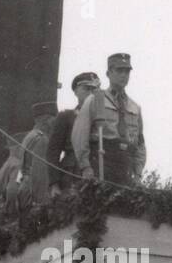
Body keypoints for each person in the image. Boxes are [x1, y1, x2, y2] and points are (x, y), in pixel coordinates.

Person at [72, 52, 146, 184]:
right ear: (109, 73)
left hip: (125, 166)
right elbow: (79, 134)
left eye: (127, 71)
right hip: (102, 162)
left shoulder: (135, 107)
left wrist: (138, 173)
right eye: (119, 70)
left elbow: (139, 143)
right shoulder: (96, 99)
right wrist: (85, 166)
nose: (124, 75)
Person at [48, 72, 99, 192]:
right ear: (76, 91)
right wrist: (53, 184)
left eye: (95, 90)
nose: (91, 93)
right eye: (86, 89)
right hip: (72, 175)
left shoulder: (103, 119)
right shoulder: (66, 117)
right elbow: (53, 151)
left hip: (97, 172)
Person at [16, 102, 58, 208]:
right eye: (54, 120)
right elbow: (39, 174)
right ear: (46, 121)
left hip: (25, 190)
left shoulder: (30, 136)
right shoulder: (42, 140)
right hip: (34, 194)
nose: (55, 124)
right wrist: (42, 204)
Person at [0, 133, 26, 212]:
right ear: (19, 148)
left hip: (0, 206)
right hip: (9, 211)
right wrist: (11, 210)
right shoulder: (18, 165)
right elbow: (12, 190)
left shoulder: (7, 163)